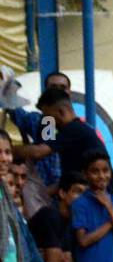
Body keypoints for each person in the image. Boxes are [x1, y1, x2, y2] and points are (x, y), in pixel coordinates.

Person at [6, 69, 71, 208]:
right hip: (39, 200)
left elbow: (40, 151)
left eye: (62, 88)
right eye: (53, 88)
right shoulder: (41, 120)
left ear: (69, 92)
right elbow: (14, 110)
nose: (58, 92)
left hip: (66, 201)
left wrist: (9, 151)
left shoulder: (78, 128)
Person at [23, 88, 104, 195]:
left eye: (49, 118)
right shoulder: (77, 132)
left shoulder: (73, 130)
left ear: (61, 112)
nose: (48, 123)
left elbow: (38, 152)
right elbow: (69, 178)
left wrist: (11, 149)